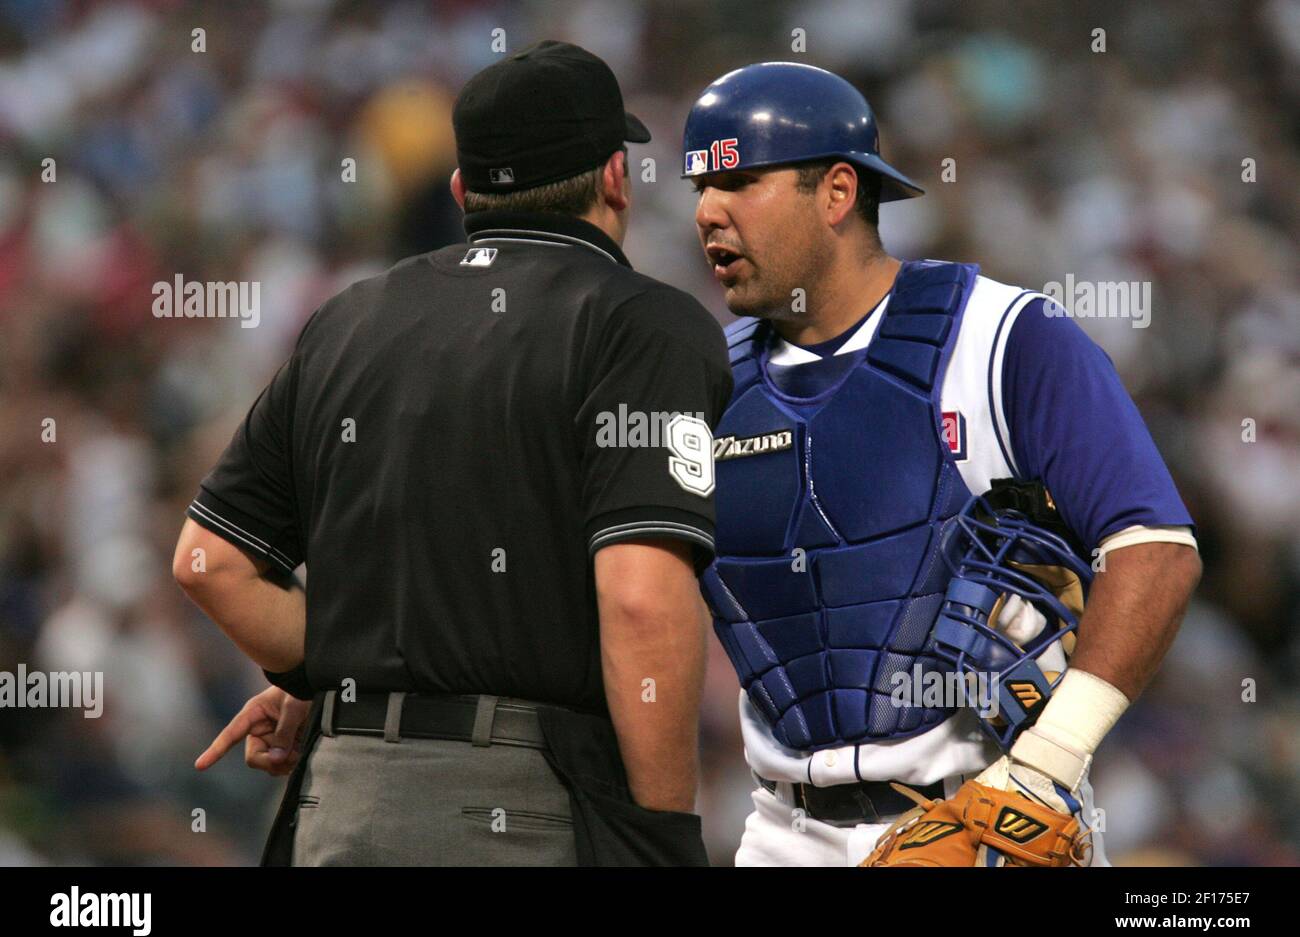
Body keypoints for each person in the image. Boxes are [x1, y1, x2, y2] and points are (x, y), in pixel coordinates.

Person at [175, 40, 732, 866]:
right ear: (616, 177)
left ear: (463, 191)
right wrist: (658, 838)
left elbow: (205, 562)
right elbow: (642, 600)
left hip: (337, 805)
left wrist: (332, 676)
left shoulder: (350, 319)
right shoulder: (640, 325)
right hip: (515, 810)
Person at [682, 62, 1201, 866]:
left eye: (739, 181)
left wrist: (1046, 769)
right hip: (782, 833)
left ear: (838, 193)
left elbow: (1156, 552)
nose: (707, 211)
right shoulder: (704, 384)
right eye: (697, 189)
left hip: (990, 815)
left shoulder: (1002, 337)